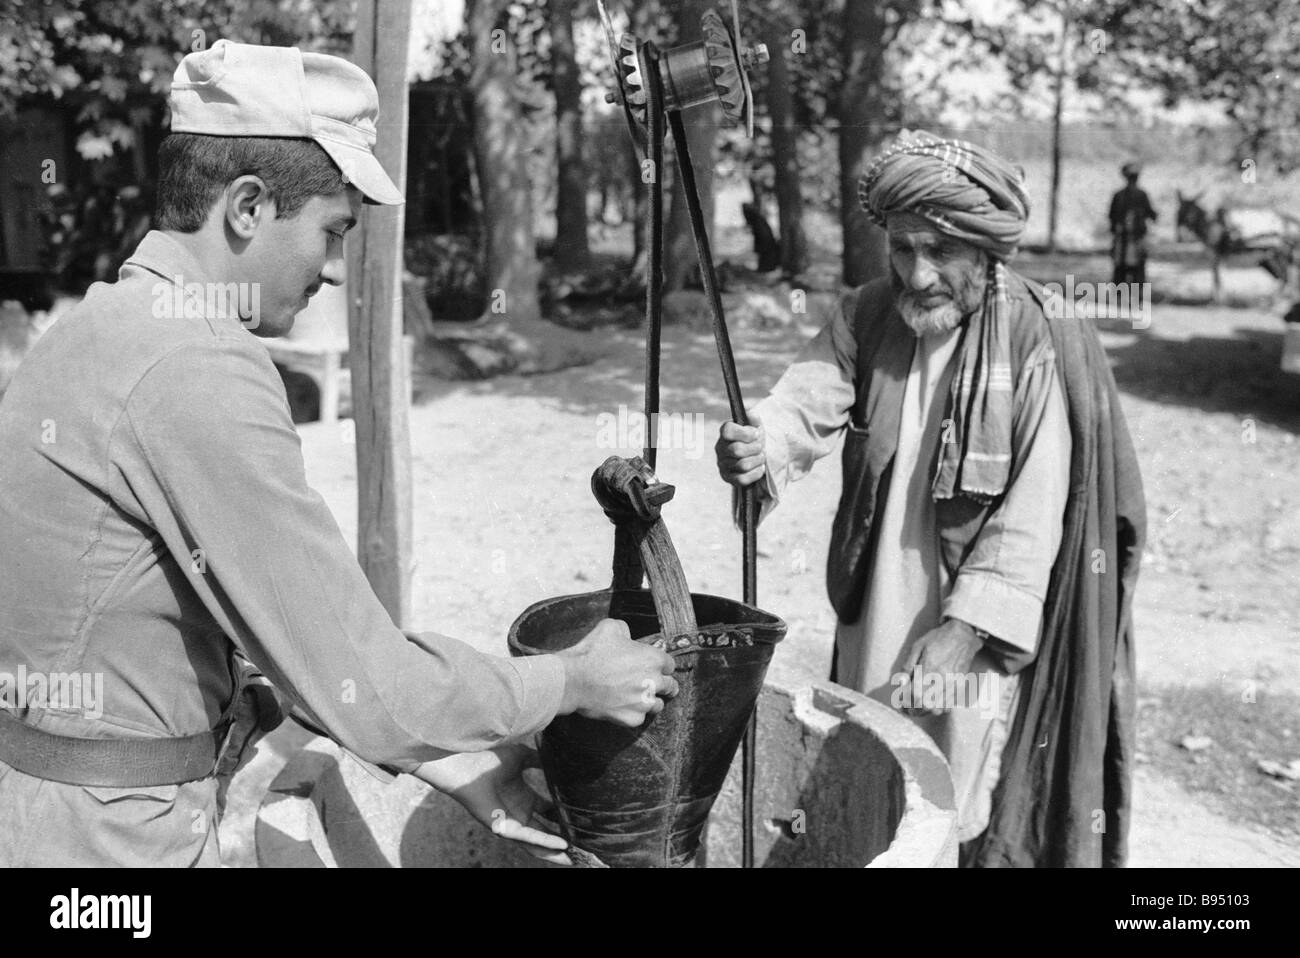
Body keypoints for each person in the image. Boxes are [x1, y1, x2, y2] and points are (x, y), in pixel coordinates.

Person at [0, 40, 678, 868]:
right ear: (247, 207)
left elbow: (227, 627)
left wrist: (451, 752)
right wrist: (572, 681)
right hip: (110, 846)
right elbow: (362, 674)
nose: (328, 272)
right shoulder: (198, 364)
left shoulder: (101, 326)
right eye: (330, 233)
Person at [716, 132, 1145, 867]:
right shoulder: (868, 313)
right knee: (865, 772)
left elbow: (1030, 514)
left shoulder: (1035, 338)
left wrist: (964, 633)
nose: (918, 274)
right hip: (874, 602)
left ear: (985, 251)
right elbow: (804, 401)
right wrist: (762, 442)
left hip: (965, 628)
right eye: (903, 248)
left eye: (940, 252)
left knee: (946, 800)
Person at [1109, 161, 1157, 285]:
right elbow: (1152, 215)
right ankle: (1135, 295)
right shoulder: (1141, 194)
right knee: (1138, 267)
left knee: (1121, 267)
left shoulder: (1119, 195)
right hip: (1134, 238)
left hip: (1124, 238)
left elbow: (1111, 217)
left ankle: (1121, 295)